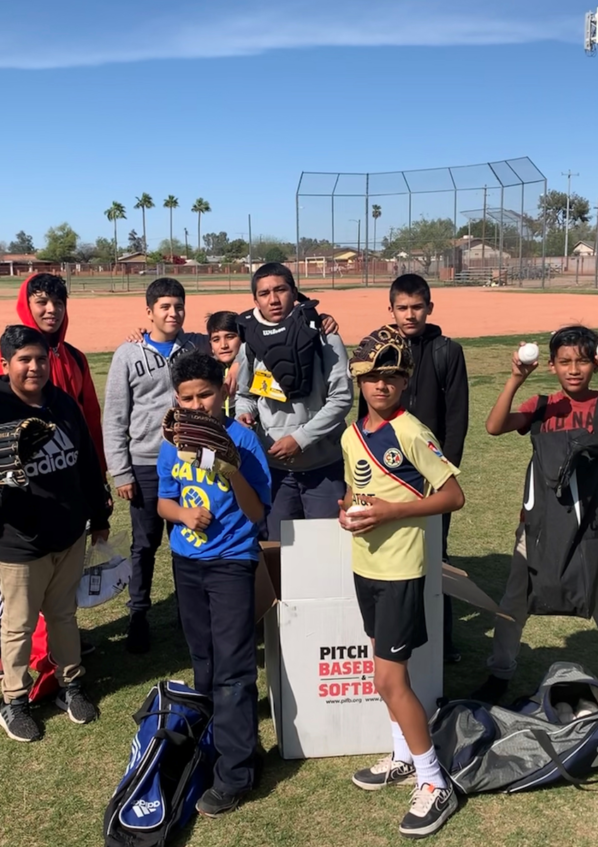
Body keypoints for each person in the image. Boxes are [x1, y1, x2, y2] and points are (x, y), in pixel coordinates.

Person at [470, 325, 598, 760]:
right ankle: (500, 674)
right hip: (538, 528)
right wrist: (516, 379)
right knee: (513, 605)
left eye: (581, 361)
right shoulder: (543, 405)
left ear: (595, 363)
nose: (573, 369)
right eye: (564, 361)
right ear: (552, 365)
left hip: (594, 529)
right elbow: (494, 426)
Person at [341, 325, 465, 839]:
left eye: (392, 377)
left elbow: (453, 496)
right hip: (365, 567)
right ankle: (402, 756)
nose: (382, 385)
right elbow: (353, 490)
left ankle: (434, 781)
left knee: (391, 681)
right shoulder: (352, 435)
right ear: (359, 380)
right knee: (383, 676)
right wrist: (346, 511)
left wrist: (393, 511)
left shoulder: (412, 431)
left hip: (400, 571)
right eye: (373, 377)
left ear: (406, 381)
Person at [0, 325, 111, 742]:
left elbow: (85, 462)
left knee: (64, 615)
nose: (34, 367)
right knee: (19, 625)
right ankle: (14, 700)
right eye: (24, 360)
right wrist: (5, 470)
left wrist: (98, 514)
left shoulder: (62, 404)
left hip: (68, 534)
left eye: (41, 359)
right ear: (5, 364)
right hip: (19, 543)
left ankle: (70, 684)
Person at [156, 351, 272, 817]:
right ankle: (216, 746)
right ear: (176, 399)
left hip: (231, 563)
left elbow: (257, 511)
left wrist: (231, 467)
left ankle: (236, 772)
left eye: (205, 394)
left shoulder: (243, 439)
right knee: (203, 662)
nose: (197, 405)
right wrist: (183, 514)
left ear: (224, 389)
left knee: (233, 668)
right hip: (187, 562)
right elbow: (164, 501)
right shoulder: (173, 438)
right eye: (186, 398)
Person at [0, 272, 108, 680]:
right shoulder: (9, 357)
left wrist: (98, 475)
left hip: (67, 477)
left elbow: (89, 416)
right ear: (26, 305)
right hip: (28, 486)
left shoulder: (74, 357)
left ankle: (58, 638)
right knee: (20, 574)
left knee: (61, 572)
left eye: (58, 302)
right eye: (41, 302)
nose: (51, 310)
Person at [358, 274, 469, 664]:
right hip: (388, 473)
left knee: (435, 555)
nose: (410, 315)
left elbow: (456, 418)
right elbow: (366, 413)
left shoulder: (446, 351)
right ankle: (393, 633)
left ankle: (442, 641)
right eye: (402, 308)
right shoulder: (378, 347)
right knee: (393, 550)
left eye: (417, 307)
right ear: (390, 309)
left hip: (431, 474)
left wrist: (441, 475)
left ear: (429, 308)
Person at [104, 277, 210, 653]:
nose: (173, 313)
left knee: (188, 538)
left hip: (190, 462)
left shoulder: (195, 346)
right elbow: (115, 416)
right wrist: (121, 471)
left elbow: (236, 332)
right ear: (149, 312)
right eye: (164, 307)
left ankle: (189, 612)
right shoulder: (128, 354)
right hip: (146, 464)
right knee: (145, 544)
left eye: (178, 306)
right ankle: (138, 615)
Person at [235, 263, 352, 541]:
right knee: (279, 550)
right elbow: (245, 395)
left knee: (326, 548)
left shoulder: (324, 337)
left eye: (281, 290)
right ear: (255, 301)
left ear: (294, 292)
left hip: (323, 468)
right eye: (264, 293)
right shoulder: (250, 343)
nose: (273, 299)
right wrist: (243, 414)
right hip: (274, 470)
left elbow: (341, 398)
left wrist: (301, 439)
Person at [206, 310, 242, 418]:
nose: (223, 345)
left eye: (230, 337)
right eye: (216, 339)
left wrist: (240, 362)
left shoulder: (254, 365)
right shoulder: (207, 370)